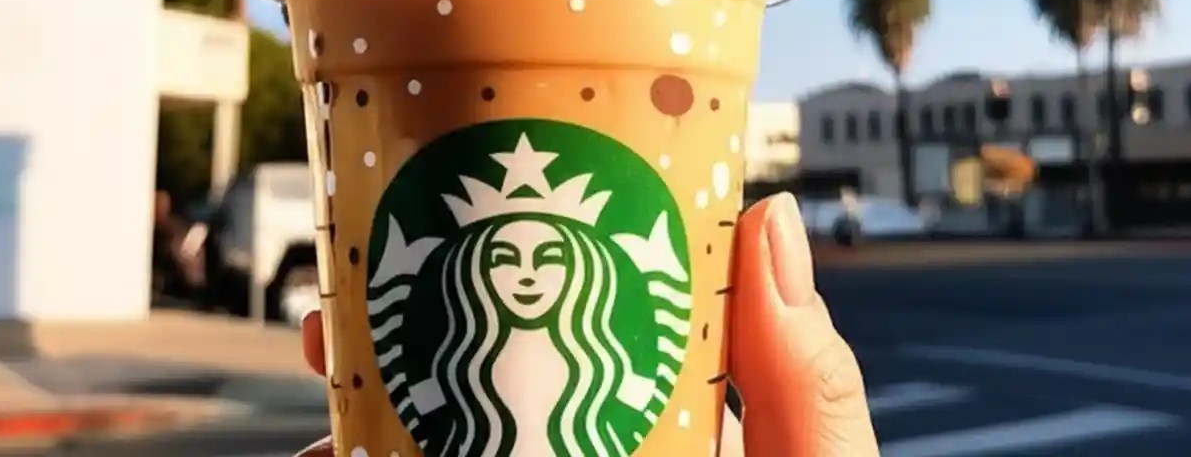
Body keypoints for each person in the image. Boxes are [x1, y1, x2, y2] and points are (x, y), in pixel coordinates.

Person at [293, 194, 880, 457]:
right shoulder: (452, 372)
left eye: (548, 260)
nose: (525, 277)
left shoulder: (603, 380)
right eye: (503, 259)